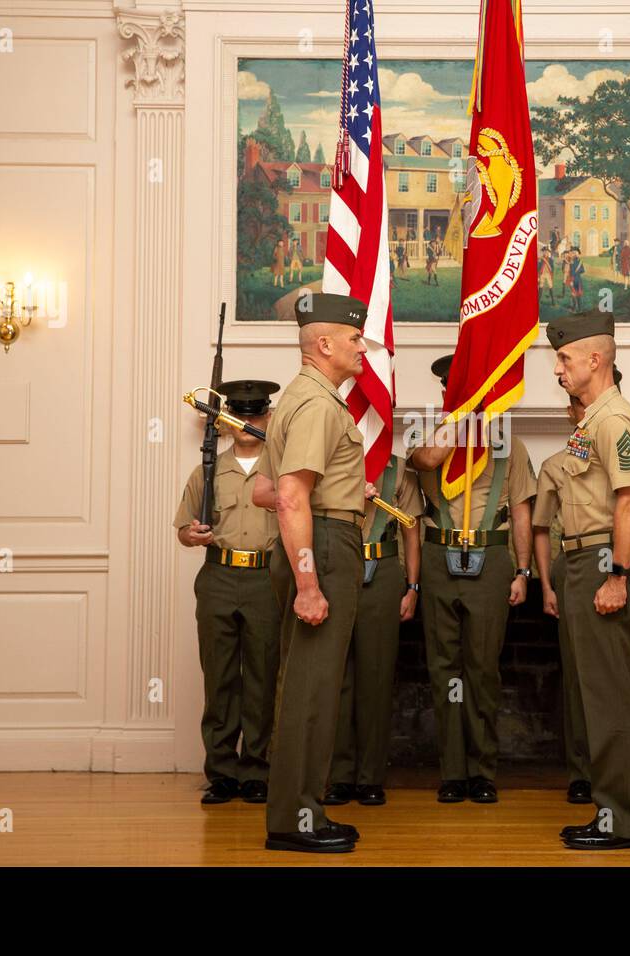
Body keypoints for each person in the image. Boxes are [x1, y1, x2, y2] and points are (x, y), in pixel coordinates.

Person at [251, 292, 372, 853]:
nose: (362, 346)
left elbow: (274, 489)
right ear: (324, 344)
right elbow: (291, 498)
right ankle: (298, 820)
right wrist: (308, 582)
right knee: (312, 688)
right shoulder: (320, 405)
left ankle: (298, 810)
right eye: (353, 339)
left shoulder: (301, 399)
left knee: (303, 683)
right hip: (322, 545)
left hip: (319, 539)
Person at [546, 311, 630, 850]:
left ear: (595, 360)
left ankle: (626, 822)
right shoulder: (592, 421)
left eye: (565, 359)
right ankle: (613, 813)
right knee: (600, 697)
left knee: (612, 699)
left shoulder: (614, 419)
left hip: (603, 565)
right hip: (585, 562)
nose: (558, 369)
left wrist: (617, 573)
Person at [408, 354, 536, 805]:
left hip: (491, 556)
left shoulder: (509, 447)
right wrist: (458, 422)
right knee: (444, 670)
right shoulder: (425, 437)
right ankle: (453, 771)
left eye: (474, 394)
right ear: (446, 395)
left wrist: (524, 570)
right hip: (440, 556)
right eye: (456, 392)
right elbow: (423, 459)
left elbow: (521, 510)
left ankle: (482, 771)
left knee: (482, 670)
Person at [175, 380, 282, 806]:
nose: (247, 422)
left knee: (261, 676)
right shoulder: (208, 470)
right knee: (220, 678)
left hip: (265, 579)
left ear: (267, 418)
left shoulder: (282, 471)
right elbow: (183, 529)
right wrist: (192, 534)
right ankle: (221, 772)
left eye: (255, 414)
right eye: (239, 415)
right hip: (219, 577)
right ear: (226, 421)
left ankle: (256, 770)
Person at [323, 454, 425, 806]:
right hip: (336, 570)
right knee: (338, 680)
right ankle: (338, 776)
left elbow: (412, 530)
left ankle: (370, 777)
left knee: (376, 679)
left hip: (382, 572)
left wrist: (413, 587)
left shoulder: (398, 471)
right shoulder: (329, 464)